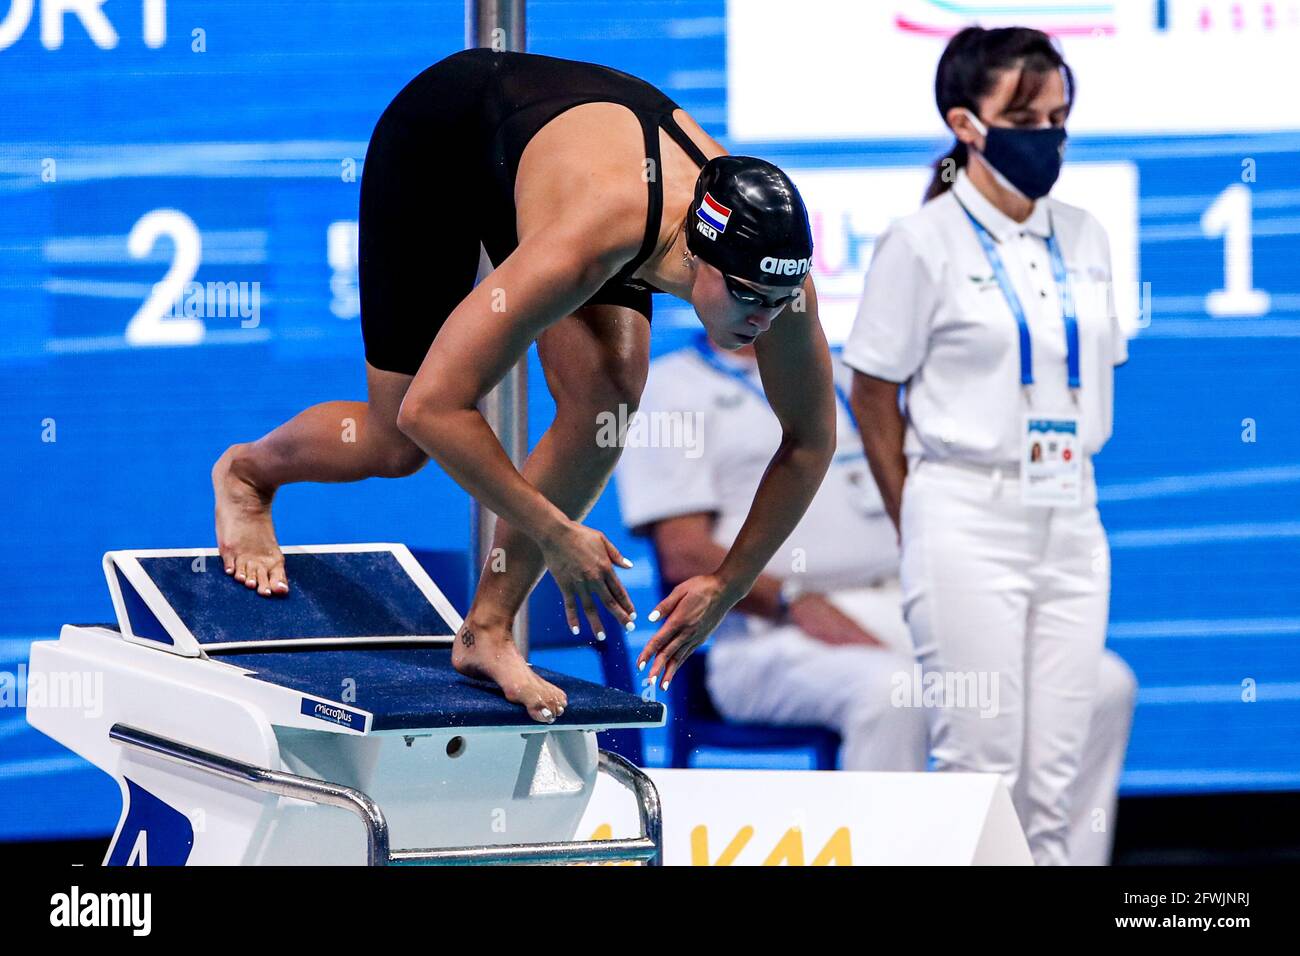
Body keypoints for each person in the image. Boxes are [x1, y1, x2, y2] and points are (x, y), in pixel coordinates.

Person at [210, 49, 836, 723]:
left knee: (607, 395)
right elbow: (434, 408)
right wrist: (556, 531)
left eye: (777, 299)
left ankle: (486, 630)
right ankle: (247, 472)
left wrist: (728, 583)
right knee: (396, 441)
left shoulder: (779, 286)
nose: (762, 319)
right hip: (451, 135)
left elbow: (808, 442)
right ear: (697, 255)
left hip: (587, 155)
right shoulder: (594, 238)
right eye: (747, 296)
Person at [616, 333, 1137, 864]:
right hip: (768, 631)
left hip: (908, 600)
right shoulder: (673, 388)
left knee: (1100, 684)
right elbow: (683, 556)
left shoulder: (846, 374)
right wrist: (793, 600)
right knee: (896, 694)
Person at [845, 27, 1130, 864]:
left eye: (1059, 116)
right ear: (967, 124)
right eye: (1026, 117)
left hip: (1072, 511)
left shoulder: (1087, 235)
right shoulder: (921, 241)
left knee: (1056, 781)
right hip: (965, 512)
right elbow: (872, 392)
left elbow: (1091, 372)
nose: (1049, 136)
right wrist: (915, 519)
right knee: (981, 770)